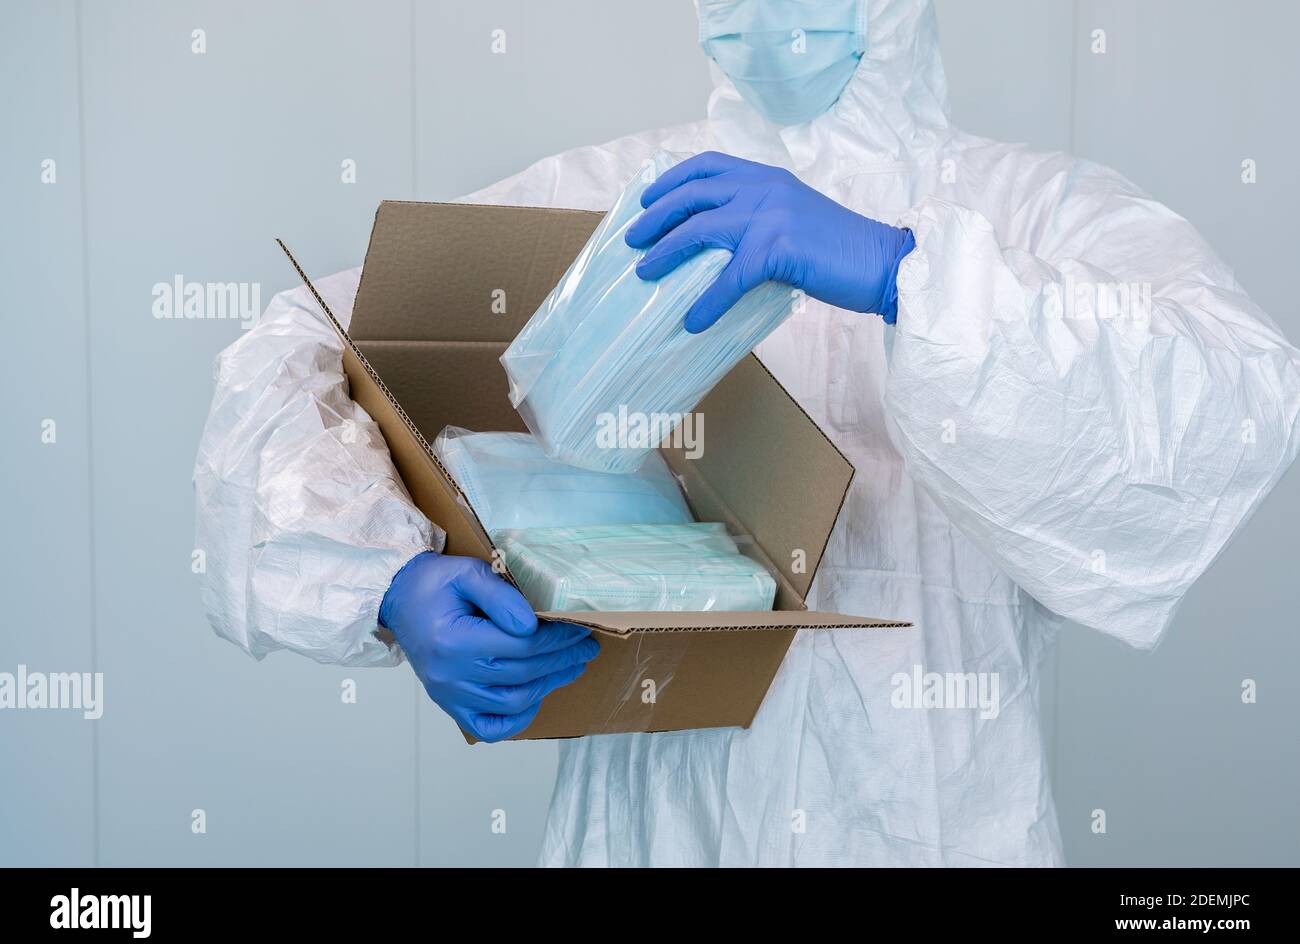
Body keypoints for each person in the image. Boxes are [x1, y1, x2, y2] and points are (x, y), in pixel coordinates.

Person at [194, 0, 1300, 866]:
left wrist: (904, 272)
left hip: (935, 827)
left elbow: (1232, 402)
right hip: (652, 834)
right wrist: (389, 578)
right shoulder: (622, 205)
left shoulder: (1029, 215)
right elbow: (298, 346)